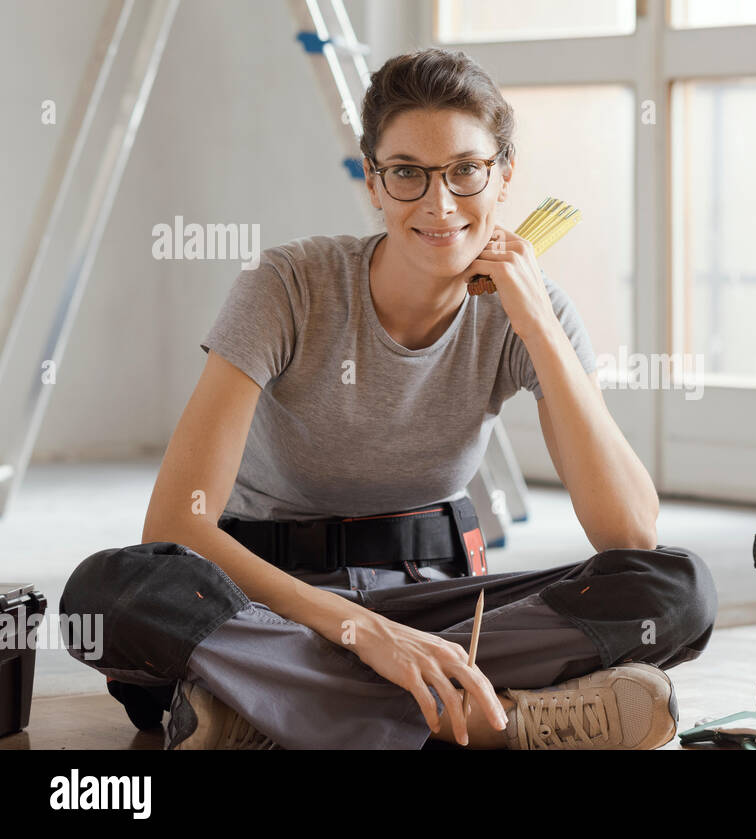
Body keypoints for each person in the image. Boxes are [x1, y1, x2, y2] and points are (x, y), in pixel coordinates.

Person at [58, 47, 718, 750]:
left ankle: (266, 708)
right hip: (264, 602)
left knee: (678, 588)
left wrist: (538, 327)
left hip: (434, 608)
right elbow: (176, 524)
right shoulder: (289, 284)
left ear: (504, 175)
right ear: (374, 182)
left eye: (466, 170)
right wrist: (361, 632)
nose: (440, 203)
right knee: (106, 592)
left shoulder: (535, 311)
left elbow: (629, 535)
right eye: (407, 173)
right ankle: (499, 721)